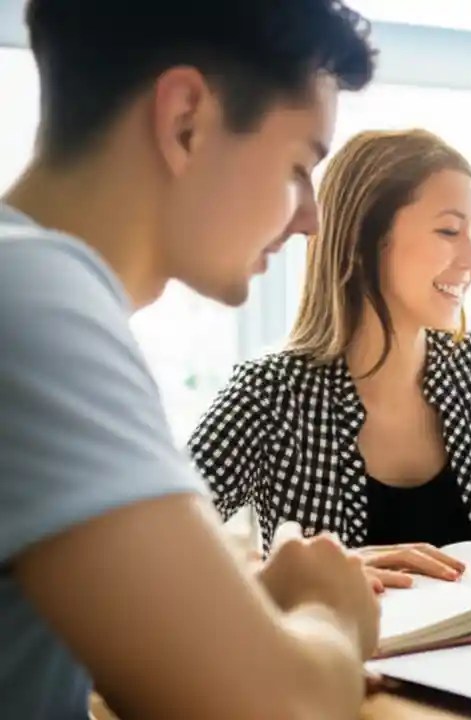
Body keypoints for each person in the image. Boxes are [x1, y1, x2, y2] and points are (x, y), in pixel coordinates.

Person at [0, 1, 386, 717]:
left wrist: (234, 611)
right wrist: (329, 612)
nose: (311, 220)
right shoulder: (35, 304)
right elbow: (280, 709)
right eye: (301, 166)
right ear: (186, 121)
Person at [189, 128, 471, 585]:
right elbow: (159, 553)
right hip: (348, 656)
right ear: (365, 236)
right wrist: (292, 576)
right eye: (449, 230)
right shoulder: (271, 392)